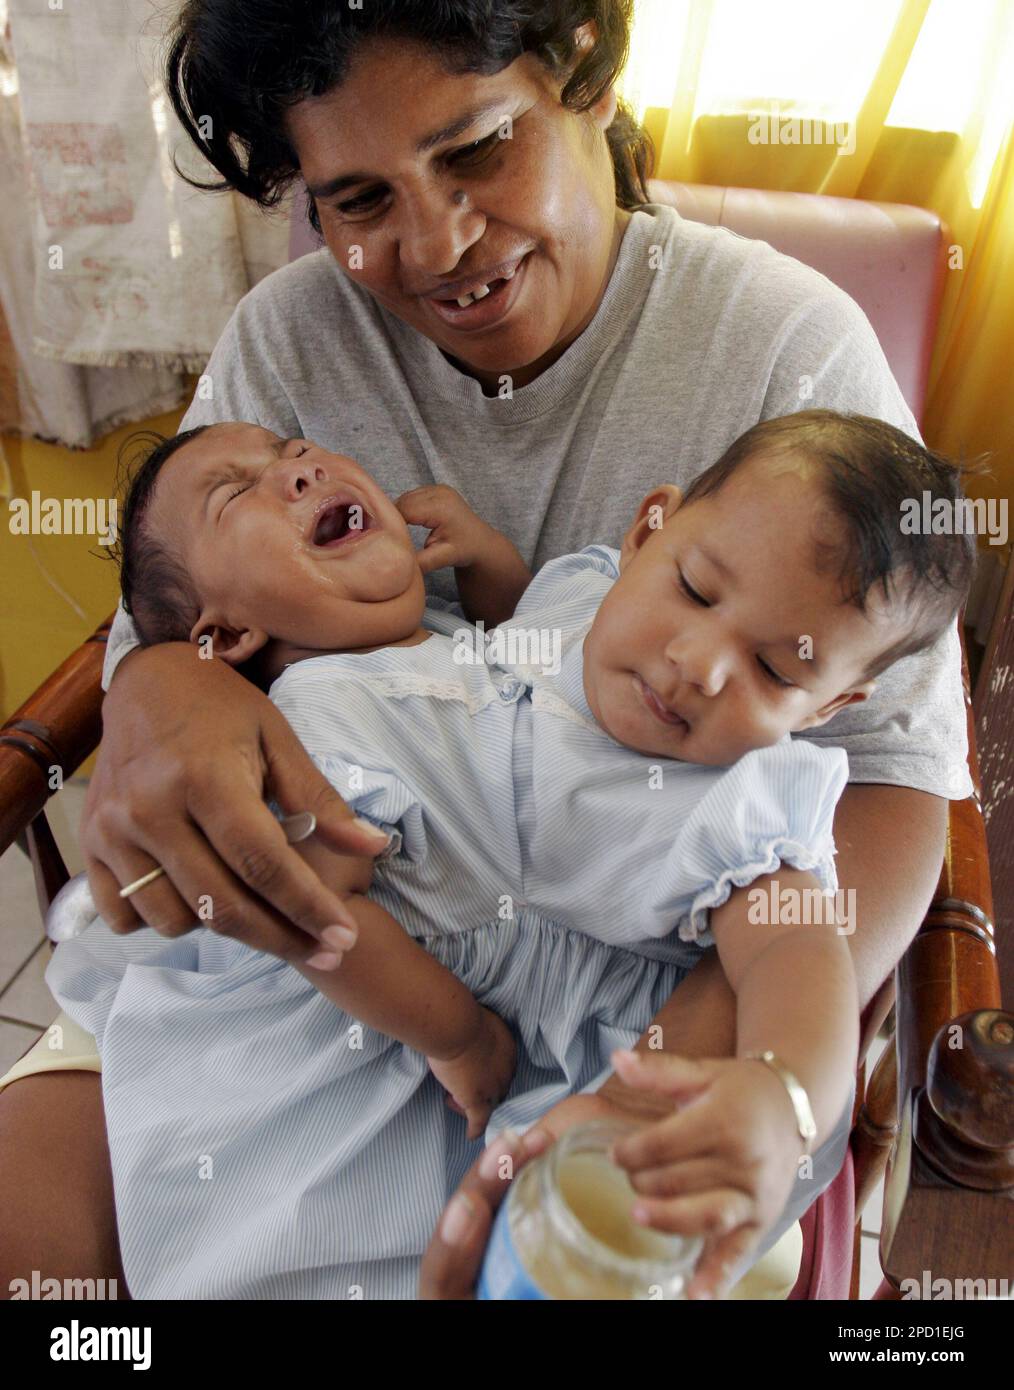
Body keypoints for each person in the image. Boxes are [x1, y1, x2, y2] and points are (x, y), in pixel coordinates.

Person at [0, 1, 969, 1293]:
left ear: (589, 81)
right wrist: (161, 683)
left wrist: (699, 1056)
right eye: (358, 200)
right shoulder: (290, 338)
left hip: (630, 987)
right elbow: (165, 622)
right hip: (250, 980)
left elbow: (887, 786)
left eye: (476, 152)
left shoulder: (783, 353)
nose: (440, 243)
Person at [39, 409, 973, 1299]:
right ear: (646, 535)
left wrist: (781, 1094)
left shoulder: (714, 777)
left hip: (571, 1091)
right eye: (240, 489)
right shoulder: (308, 721)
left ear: (822, 712)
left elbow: (798, 947)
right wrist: (458, 1032)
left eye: (777, 669)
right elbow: (318, 912)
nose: (698, 662)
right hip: (382, 1037)